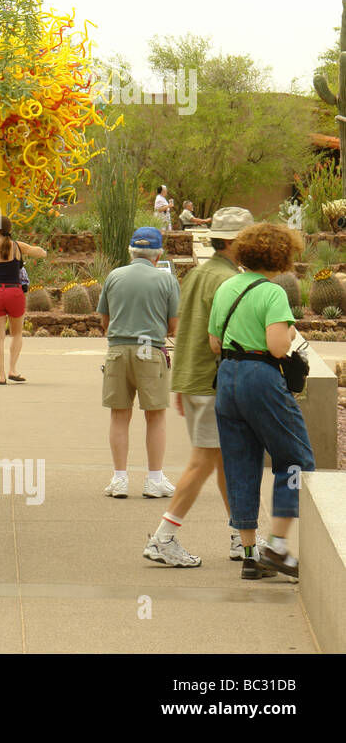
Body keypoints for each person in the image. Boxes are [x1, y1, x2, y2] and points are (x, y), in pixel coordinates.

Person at [142, 207, 268, 569]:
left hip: (197, 381)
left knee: (223, 462)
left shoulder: (200, 274)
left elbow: (184, 331)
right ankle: (163, 538)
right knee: (203, 462)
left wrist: (180, 382)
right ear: (234, 242)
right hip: (214, 383)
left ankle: (240, 536)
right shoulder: (228, 280)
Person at [209, 222, 314, 580]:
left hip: (227, 378)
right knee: (296, 458)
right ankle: (278, 546)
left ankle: (250, 554)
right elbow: (278, 347)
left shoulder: (226, 287)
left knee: (241, 463)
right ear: (281, 255)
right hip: (261, 377)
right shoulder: (273, 293)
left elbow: (213, 342)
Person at [97, 227, 179, 499]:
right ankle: (154, 479)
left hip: (118, 350)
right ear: (158, 254)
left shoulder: (114, 276)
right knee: (155, 415)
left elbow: (105, 322)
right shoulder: (166, 281)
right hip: (149, 349)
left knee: (119, 414)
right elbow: (173, 326)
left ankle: (120, 479)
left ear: (131, 251)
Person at [0, 215, 47, 385]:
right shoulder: (17, 247)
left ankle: (1, 376)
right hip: (14, 293)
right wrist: (43, 251)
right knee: (16, 334)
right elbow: (39, 252)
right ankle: (12, 369)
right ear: (9, 230)